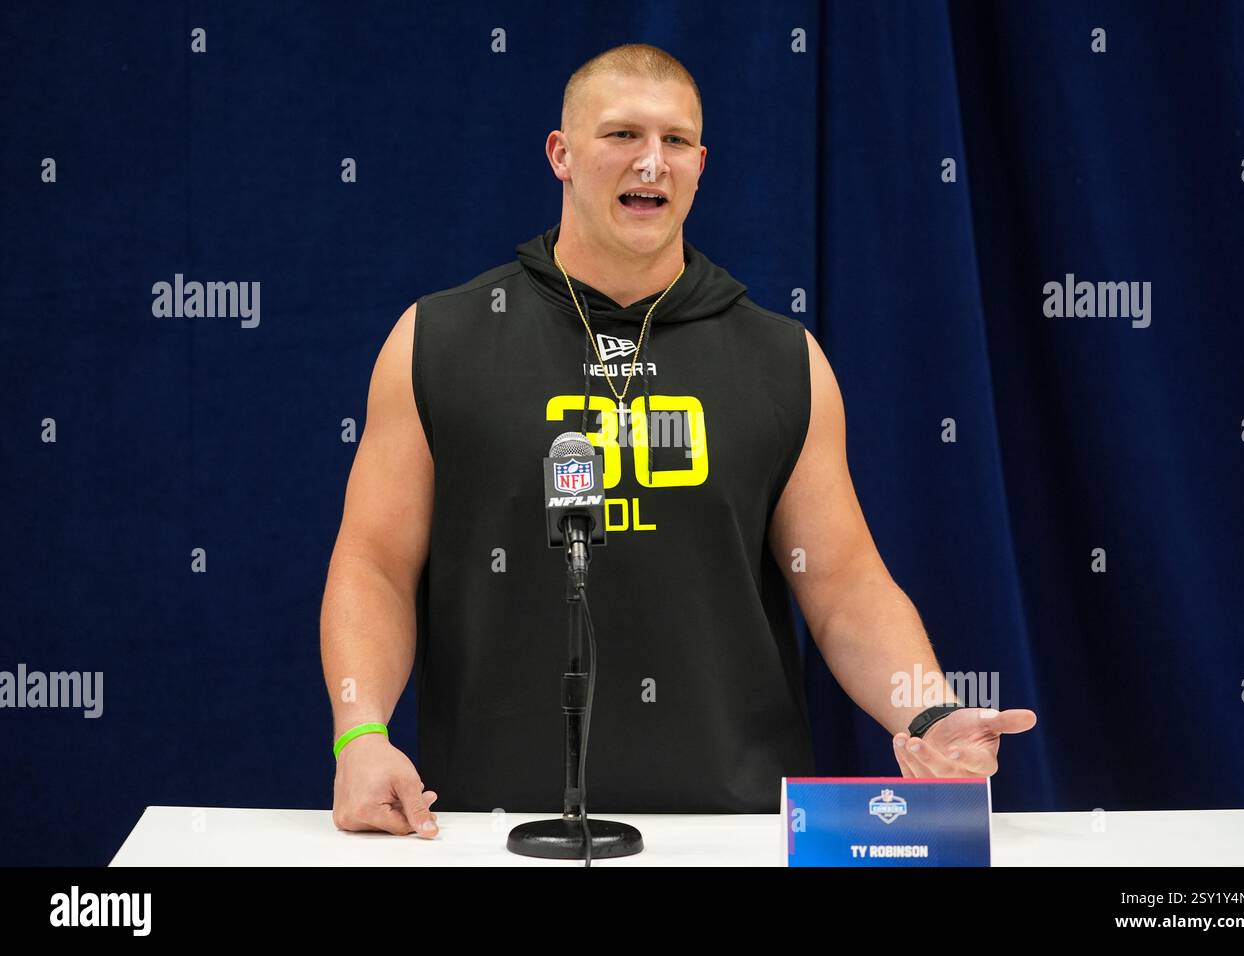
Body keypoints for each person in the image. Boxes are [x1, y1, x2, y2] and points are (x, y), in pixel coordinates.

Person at [321, 43, 1036, 840]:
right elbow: (374, 562)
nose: (651, 163)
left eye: (675, 141)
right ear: (561, 154)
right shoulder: (441, 340)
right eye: (622, 135)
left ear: (701, 163)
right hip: (497, 828)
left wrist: (927, 710)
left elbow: (842, 583)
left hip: (735, 828)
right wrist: (361, 735)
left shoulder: (781, 359)